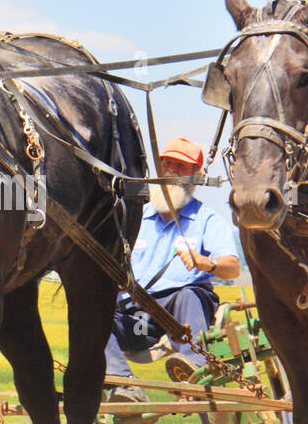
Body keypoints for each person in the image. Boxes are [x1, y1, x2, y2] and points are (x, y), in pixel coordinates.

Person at [104, 136, 242, 402]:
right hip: (139, 316)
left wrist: (207, 263)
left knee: (189, 293)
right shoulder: (136, 218)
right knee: (94, 317)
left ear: (196, 174)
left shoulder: (207, 219)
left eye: (179, 166)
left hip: (182, 316)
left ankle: (193, 373)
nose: (169, 171)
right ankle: (123, 386)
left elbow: (233, 268)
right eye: (165, 163)